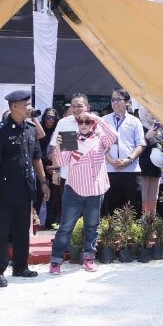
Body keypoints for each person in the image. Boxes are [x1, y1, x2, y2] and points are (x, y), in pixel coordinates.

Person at [0, 89, 50, 288]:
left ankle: (20, 266)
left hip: (25, 188)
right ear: (14, 106)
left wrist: (44, 181)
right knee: (1, 231)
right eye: (26, 104)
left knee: (23, 229)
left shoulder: (30, 129)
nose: (29, 107)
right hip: (5, 189)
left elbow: (36, 158)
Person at [49, 110, 117, 274]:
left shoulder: (101, 137)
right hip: (74, 190)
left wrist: (98, 119)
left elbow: (114, 136)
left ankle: (89, 258)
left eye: (87, 122)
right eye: (81, 122)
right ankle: (56, 261)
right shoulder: (69, 137)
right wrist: (58, 146)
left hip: (95, 189)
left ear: (93, 123)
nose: (84, 125)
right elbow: (63, 161)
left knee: (92, 226)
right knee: (66, 226)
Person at [101, 88, 146, 216]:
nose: (115, 103)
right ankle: (110, 236)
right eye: (113, 100)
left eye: (118, 99)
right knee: (110, 209)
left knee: (133, 209)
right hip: (109, 170)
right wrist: (110, 160)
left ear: (127, 102)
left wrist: (129, 160)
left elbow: (141, 144)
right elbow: (100, 144)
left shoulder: (134, 121)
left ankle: (132, 236)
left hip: (131, 170)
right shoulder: (103, 120)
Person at [136, 105, 163, 217]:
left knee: (154, 197)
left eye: (155, 112)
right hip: (142, 168)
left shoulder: (161, 131)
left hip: (156, 169)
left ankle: (150, 222)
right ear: (143, 113)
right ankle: (143, 221)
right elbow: (135, 148)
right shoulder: (140, 128)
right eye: (149, 112)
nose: (153, 114)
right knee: (143, 196)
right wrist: (146, 137)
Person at [38, 109, 62, 228]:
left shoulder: (59, 130)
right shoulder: (38, 130)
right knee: (39, 195)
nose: (50, 120)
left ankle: (50, 222)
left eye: (53, 117)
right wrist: (45, 165)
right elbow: (36, 152)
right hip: (40, 166)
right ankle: (35, 222)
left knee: (54, 196)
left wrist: (53, 166)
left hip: (55, 167)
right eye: (48, 117)